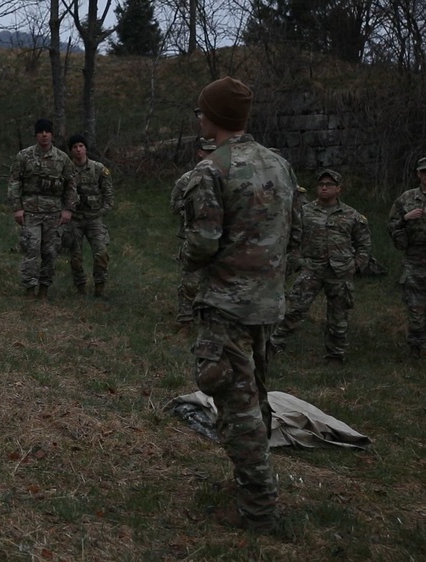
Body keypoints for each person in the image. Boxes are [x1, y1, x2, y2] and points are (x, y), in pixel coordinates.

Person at [179, 76, 300, 532]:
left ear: (213, 117)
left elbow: (202, 244)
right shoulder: (280, 165)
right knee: (257, 399)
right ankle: (254, 482)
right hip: (267, 305)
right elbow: (297, 233)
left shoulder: (212, 171)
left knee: (236, 406)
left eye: (201, 110)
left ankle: (259, 505)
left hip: (227, 307)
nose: (199, 117)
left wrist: (188, 260)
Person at [269, 170, 371, 362]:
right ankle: (274, 344)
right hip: (311, 269)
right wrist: (297, 261)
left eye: (329, 184)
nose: (324, 187)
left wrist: (357, 265)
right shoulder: (305, 212)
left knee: (338, 316)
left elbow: (363, 242)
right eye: (321, 184)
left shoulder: (351, 215)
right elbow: (292, 239)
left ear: (338, 189)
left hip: (340, 272)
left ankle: (335, 354)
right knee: (295, 309)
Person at [7, 118, 77, 298]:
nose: (44, 135)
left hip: (53, 212)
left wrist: (68, 209)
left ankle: (44, 288)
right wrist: (17, 207)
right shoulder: (24, 156)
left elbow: (71, 184)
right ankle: (30, 288)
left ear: (52, 135)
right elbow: (14, 182)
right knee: (32, 248)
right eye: (40, 132)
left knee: (50, 251)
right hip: (30, 211)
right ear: (36, 135)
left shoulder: (62, 158)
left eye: (47, 132)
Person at [171, 137, 217, 335]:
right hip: (195, 237)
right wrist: (192, 209)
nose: (212, 155)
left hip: (220, 239)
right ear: (200, 153)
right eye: (208, 151)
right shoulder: (187, 179)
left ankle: (211, 322)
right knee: (190, 282)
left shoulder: (225, 178)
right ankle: (185, 320)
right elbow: (174, 205)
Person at [386, 156, 426, 357]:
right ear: (419, 174)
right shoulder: (407, 198)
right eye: (424, 172)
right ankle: (416, 349)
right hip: (414, 260)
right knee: (415, 308)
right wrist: (405, 219)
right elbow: (391, 227)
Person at [66, 134, 113, 297]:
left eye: (81, 146)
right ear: (71, 151)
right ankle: (80, 288)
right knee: (76, 257)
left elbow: (108, 194)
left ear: (85, 148)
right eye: (74, 147)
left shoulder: (99, 169)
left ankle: (99, 288)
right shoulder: (67, 170)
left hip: (94, 219)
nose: (78, 150)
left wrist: (101, 211)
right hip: (75, 220)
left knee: (101, 254)